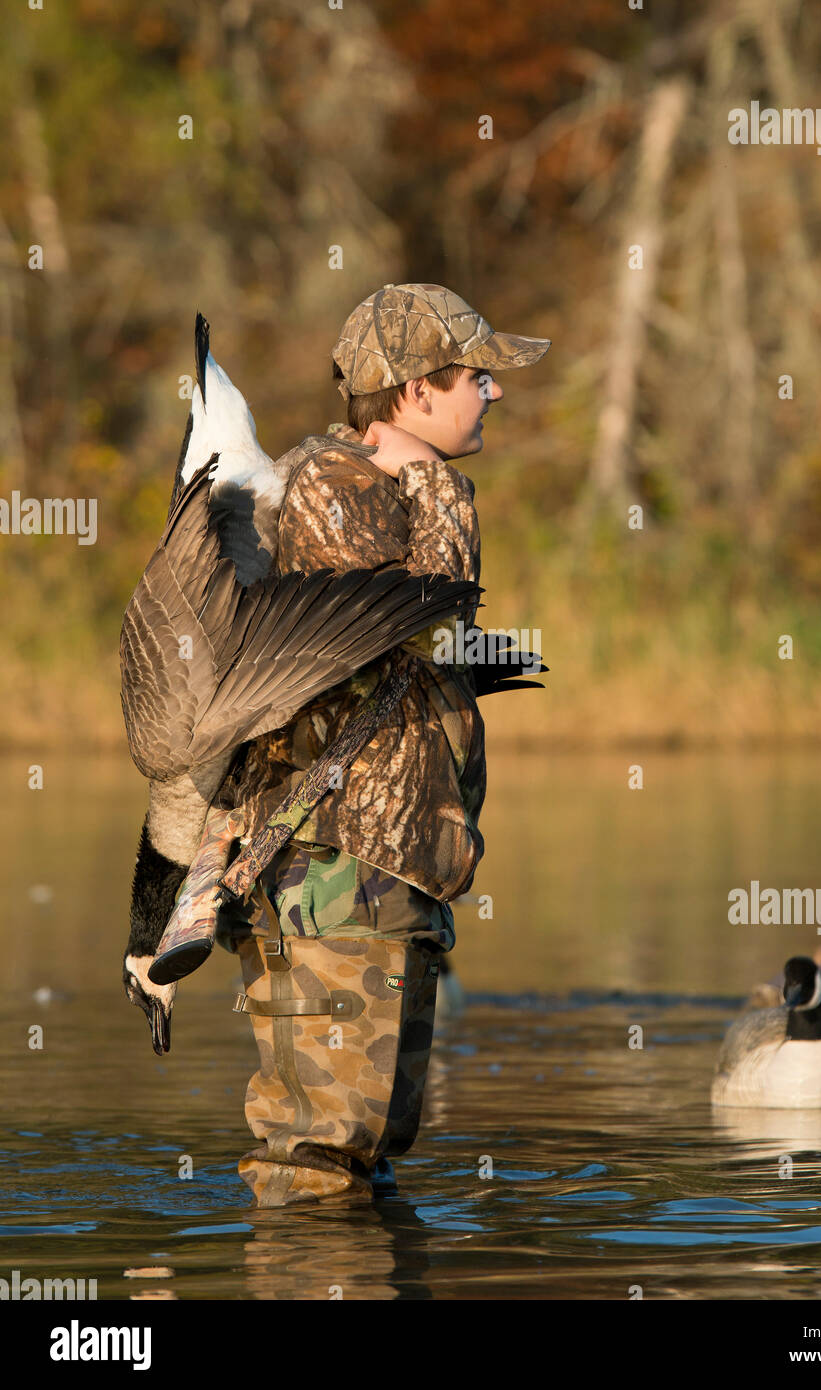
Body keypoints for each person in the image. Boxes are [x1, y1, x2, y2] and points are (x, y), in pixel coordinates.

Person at [218, 283, 550, 1206]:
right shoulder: (332, 483)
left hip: (386, 868)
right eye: (477, 376)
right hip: (333, 866)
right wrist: (442, 488)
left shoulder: (380, 484)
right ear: (413, 390)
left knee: (363, 1148)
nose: (493, 394)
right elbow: (422, 607)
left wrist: (473, 668)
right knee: (319, 1151)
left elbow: (399, 644)